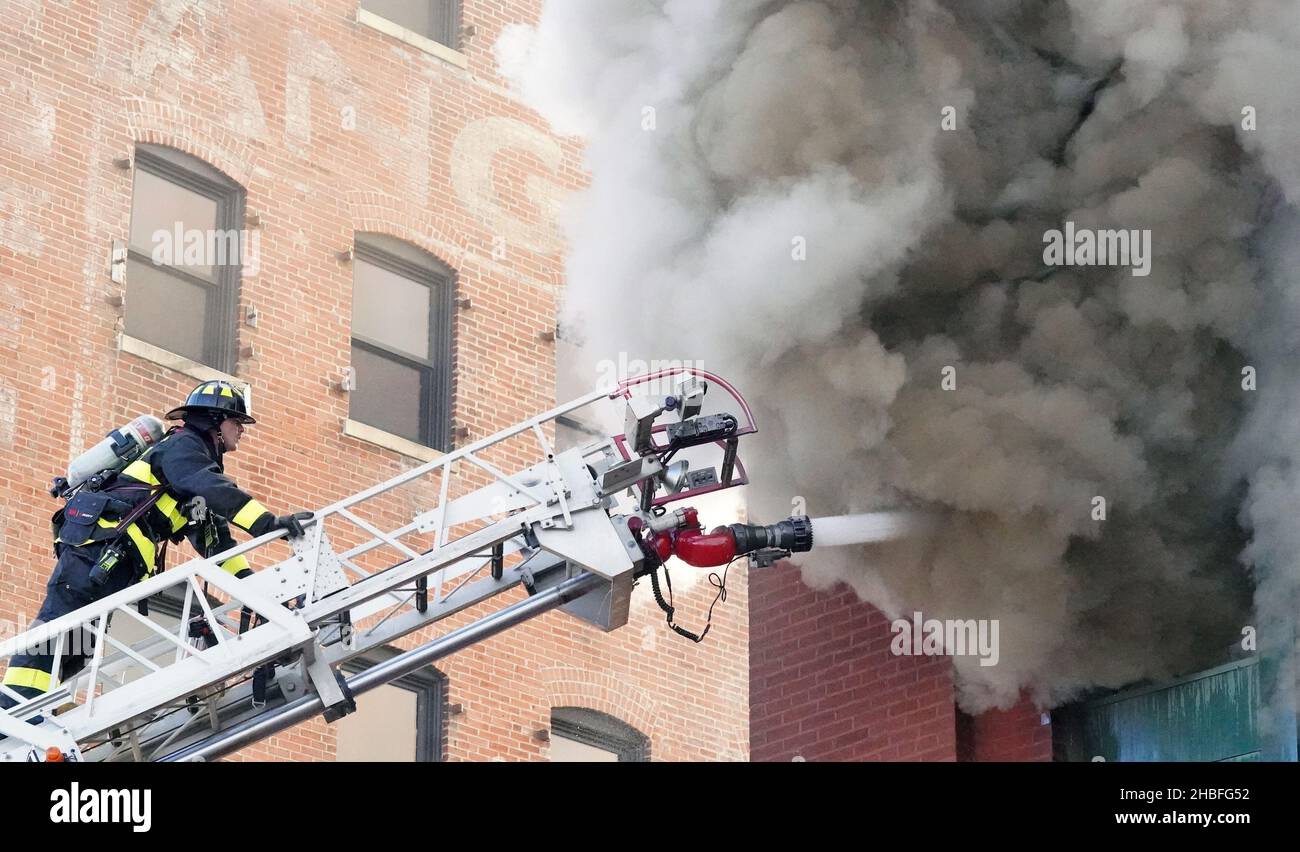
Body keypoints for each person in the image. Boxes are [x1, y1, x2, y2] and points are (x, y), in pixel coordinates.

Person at [1, 380, 312, 711]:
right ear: (215, 422)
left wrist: (255, 587)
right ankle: (12, 710)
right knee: (56, 628)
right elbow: (214, 488)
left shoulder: (195, 468)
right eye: (236, 422)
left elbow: (215, 543)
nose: (242, 431)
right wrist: (270, 523)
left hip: (114, 561)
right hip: (94, 552)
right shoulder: (183, 448)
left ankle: (33, 709)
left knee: (79, 646)